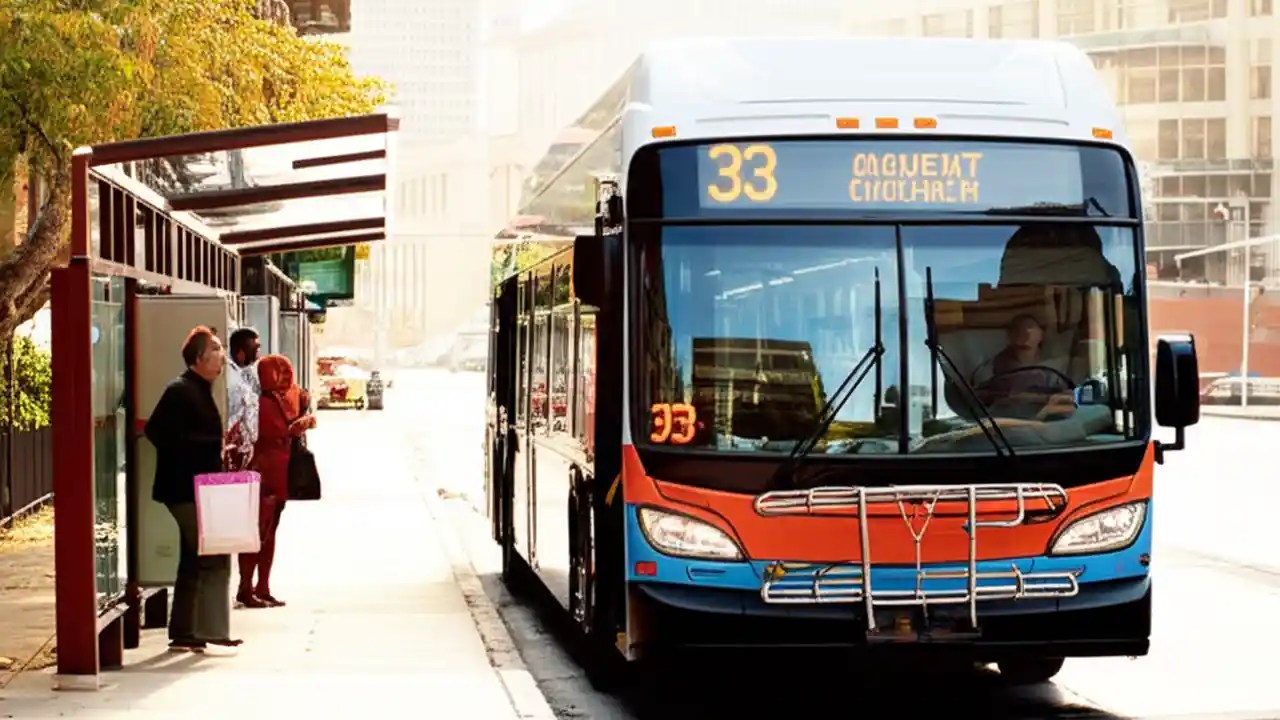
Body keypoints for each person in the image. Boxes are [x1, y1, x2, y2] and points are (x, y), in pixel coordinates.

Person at [144, 326, 242, 651]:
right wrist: (203, 448)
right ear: (199, 358)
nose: (222, 355)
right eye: (215, 349)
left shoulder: (200, 389)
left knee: (194, 556)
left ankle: (188, 630)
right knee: (205, 552)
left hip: (200, 487)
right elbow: (158, 432)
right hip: (184, 488)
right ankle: (199, 629)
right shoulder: (180, 390)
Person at [237, 354, 315, 609]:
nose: (286, 377)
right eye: (281, 372)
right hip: (266, 473)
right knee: (259, 531)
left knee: (268, 531)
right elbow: (270, 433)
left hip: (279, 471)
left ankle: (261, 586)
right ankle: (248, 586)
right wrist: (295, 428)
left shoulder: (286, 398)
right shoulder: (261, 402)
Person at [225, 327, 262, 472]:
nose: (258, 354)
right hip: (234, 449)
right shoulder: (232, 379)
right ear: (240, 353)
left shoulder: (246, 373)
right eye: (255, 349)